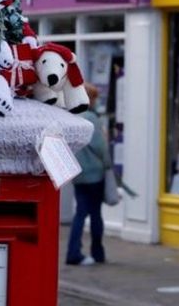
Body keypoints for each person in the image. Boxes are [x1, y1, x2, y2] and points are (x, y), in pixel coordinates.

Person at [65, 83, 111, 266]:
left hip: (78, 174)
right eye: (95, 97)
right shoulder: (91, 119)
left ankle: (73, 251)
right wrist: (108, 166)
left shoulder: (72, 118)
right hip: (94, 175)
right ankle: (96, 252)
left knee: (80, 213)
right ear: (90, 99)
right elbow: (101, 147)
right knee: (95, 214)